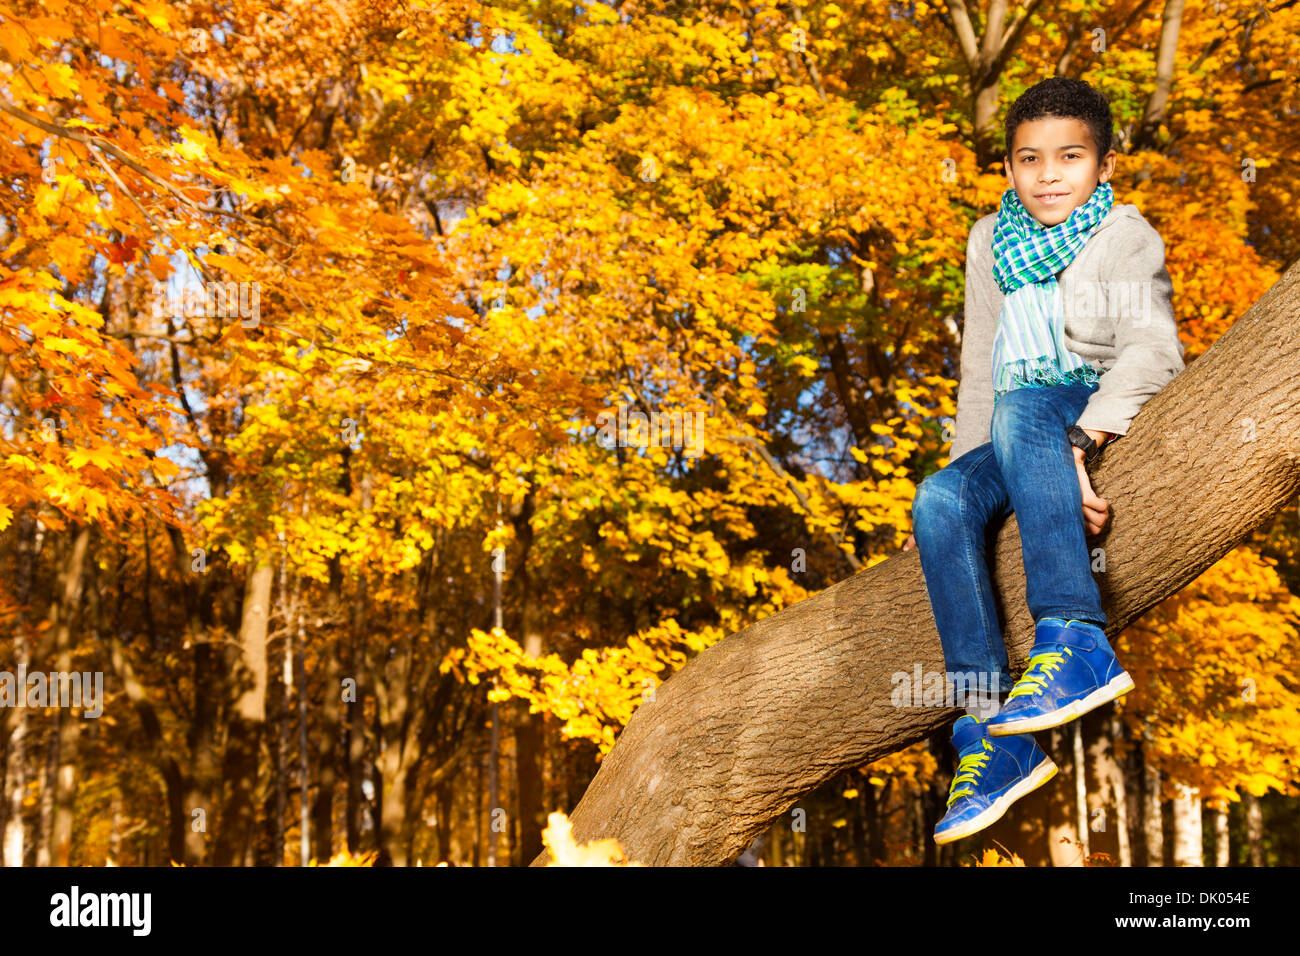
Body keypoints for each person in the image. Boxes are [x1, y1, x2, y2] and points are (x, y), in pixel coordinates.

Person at [904, 77, 1185, 846]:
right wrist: (978, 474)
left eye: (1070, 156)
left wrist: (1080, 447)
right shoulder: (989, 240)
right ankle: (992, 734)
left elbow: (1155, 351)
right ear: (1007, 169)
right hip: (1013, 414)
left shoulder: (1123, 235)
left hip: (1083, 399)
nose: (1050, 174)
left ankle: (1075, 636)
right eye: (1030, 159)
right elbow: (981, 375)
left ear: (1105, 165)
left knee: (1027, 407)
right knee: (936, 502)